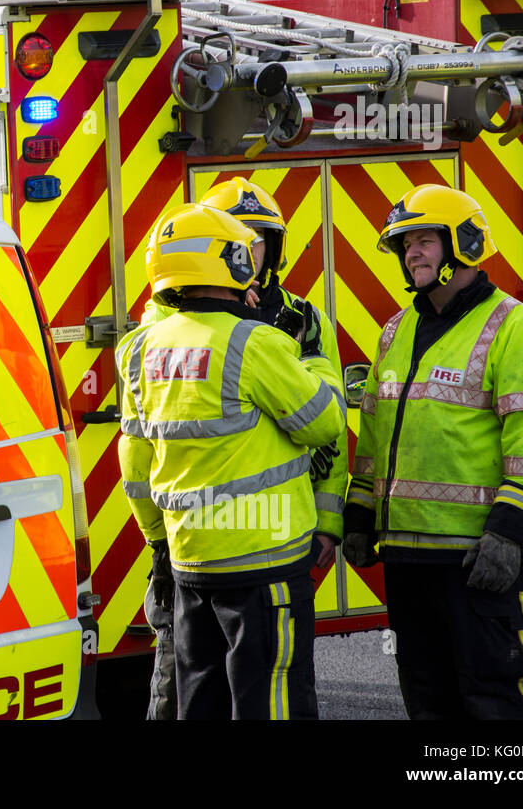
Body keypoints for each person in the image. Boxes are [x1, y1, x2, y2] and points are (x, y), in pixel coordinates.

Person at [119, 177, 346, 720]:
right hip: (265, 553)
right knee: (272, 700)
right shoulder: (263, 337)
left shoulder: (142, 344)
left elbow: (136, 459)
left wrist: (160, 538)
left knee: (197, 698)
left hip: (191, 554)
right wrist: (311, 367)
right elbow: (325, 423)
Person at [345, 184, 523, 720]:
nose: (411, 253)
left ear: (463, 243)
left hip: (479, 555)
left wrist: (508, 532)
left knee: (497, 696)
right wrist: (358, 512)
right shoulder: (396, 330)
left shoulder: (517, 328)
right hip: (405, 557)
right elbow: (373, 433)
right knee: (427, 697)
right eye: (404, 244)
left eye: (424, 240)